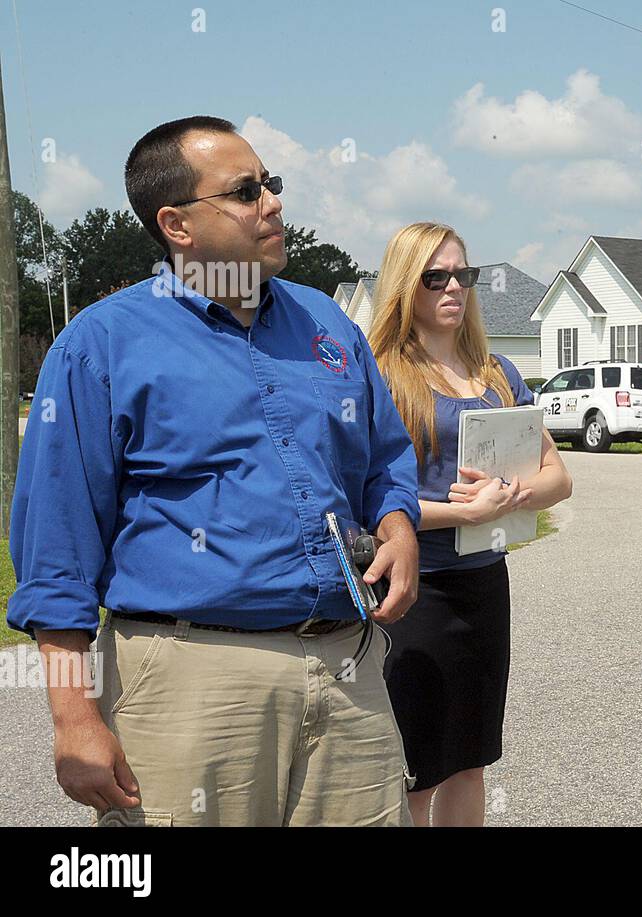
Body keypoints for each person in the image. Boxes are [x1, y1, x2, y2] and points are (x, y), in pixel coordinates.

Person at [7, 116, 421, 826]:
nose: (273, 203)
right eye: (245, 191)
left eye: (272, 184)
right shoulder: (101, 346)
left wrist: (398, 522)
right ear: (176, 224)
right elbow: (58, 553)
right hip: (189, 680)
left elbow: (384, 459)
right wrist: (74, 716)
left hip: (347, 672)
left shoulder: (329, 325)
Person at [368, 222, 572, 826]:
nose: (454, 287)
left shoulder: (497, 373)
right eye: (436, 277)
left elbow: (559, 477)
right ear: (407, 286)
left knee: (470, 757)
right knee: (415, 764)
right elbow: (364, 502)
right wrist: (465, 511)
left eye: (464, 274)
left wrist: (513, 495)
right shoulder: (381, 374)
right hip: (414, 589)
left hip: (485, 585)